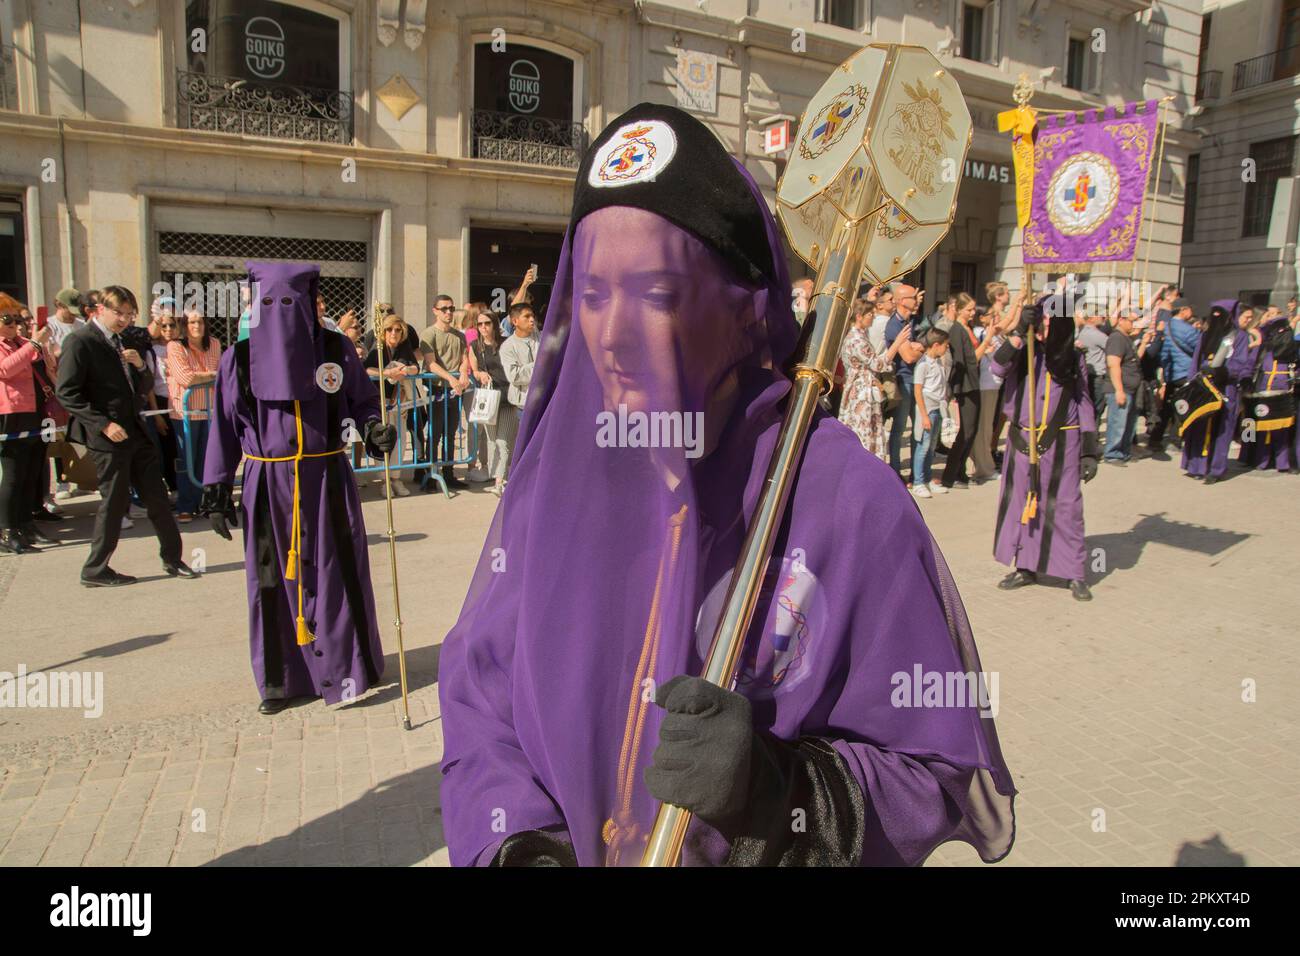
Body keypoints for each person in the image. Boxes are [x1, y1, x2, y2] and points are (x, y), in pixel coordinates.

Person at [438, 103, 1015, 868]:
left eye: (656, 295)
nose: (610, 335)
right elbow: (480, 700)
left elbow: (931, 771)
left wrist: (778, 794)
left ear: (743, 310)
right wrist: (518, 843)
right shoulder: (555, 495)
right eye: (594, 293)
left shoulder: (845, 501)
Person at [201, 261, 395, 715]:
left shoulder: (336, 349)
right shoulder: (237, 360)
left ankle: (351, 669)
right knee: (271, 581)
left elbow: (361, 402)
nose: (280, 311)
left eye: (290, 301)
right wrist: (215, 486)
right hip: (268, 486)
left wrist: (372, 429)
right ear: (254, 305)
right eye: (269, 302)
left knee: (338, 573)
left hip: (326, 478)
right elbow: (224, 428)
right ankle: (280, 681)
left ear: (308, 303)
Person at [54, 285, 194, 586]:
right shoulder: (80, 341)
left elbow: (142, 388)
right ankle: (95, 569)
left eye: (130, 314)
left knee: (157, 498)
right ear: (99, 309)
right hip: (107, 436)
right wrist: (103, 424)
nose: (125, 320)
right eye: (119, 313)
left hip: (135, 430)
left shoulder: (123, 340)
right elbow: (67, 393)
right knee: (114, 503)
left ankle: (173, 558)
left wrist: (141, 366)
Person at [990, 298, 1098, 602]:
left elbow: (1084, 402)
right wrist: (1019, 328)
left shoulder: (1073, 358)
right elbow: (997, 365)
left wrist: (1089, 450)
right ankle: (1026, 567)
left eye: (1054, 320)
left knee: (1066, 508)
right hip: (1022, 443)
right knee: (1022, 507)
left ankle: (1075, 573)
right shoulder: (1021, 352)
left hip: (1062, 443)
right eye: (1043, 320)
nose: (1047, 325)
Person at [0, 293, 62, 553]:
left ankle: (25, 523)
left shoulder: (21, 341)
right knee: (13, 475)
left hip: (34, 411)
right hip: (9, 414)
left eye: (17, 318)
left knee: (31, 472)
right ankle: (7, 530)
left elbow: (45, 365)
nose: (15, 323)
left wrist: (40, 344)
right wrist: (33, 345)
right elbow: (5, 369)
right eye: (8, 318)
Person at [1180, 301, 1255, 484]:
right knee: (1198, 426)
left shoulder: (1240, 336)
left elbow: (1239, 362)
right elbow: (1196, 360)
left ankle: (1215, 469)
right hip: (1203, 385)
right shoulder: (1206, 335)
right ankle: (1196, 465)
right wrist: (1192, 381)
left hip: (1226, 387)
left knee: (1222, 430)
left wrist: (1222, 372)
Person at [837, 297, 908, 462]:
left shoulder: (857, 336)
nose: (873, 317)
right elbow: (878, 364)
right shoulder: (857, 339)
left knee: (863, 429)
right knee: (864, 431)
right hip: (862, 392)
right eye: (870, 313)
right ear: (859, 316)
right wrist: (897, 343)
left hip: (859, 388)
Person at [167, 310, 222, 521]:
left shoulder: (214, 344)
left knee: (207, 460)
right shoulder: (175, 346)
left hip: (209, 411)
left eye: (200, 321)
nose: (196, 326)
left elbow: (221, 373)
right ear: (184, 325)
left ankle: (205, 502)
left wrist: (206, 377)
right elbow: (185, 379)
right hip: (185, 412)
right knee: (187, 460)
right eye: (191, 322)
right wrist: (211, 376)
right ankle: (186, 506)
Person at [365, 313, 426, 495]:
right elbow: (367, 368)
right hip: (380, 399)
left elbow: (415, 367)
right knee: (383, 439)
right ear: (383, 332)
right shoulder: (377, 349)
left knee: (399, 439)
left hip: (399, 400)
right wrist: (386, 373)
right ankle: (384, 480)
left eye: (398, 330)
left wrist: (405, 370)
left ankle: (396, 478)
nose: (394, 333)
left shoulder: (404, 348)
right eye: (390, 329)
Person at [420, 294, 471, 490]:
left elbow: (464, 357)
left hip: (455, 390)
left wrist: (464, 373)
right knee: (435, 433)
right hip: (437, 389)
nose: (448, 312)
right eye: (444, 309)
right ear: (435, 311)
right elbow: (431, 363)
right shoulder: (429, 334)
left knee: (451, 433)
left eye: (451, 308)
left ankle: (449, 473)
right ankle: (431, 474)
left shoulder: (459, 335)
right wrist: (451, 378)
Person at [1237, 308, 1298, 472]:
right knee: (1251, 426)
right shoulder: (1258, 340)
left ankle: (1277, 461)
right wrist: (1245, 379)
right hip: (1257, 388)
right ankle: (1249, 456)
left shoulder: (1287, 345)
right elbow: (1249, 362)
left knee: (1278, 429)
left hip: (1278, 389)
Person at [940, 293, 988, 489]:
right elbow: (968, 360)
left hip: (973, 383)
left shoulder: (966, 329)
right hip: (966, 386)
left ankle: (959, 472)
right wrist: (989, 338)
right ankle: (951, 474)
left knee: (971, 430)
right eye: (968, 309)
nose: (972, 313)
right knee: (966, 432)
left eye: (973, 309)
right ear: (958, 310)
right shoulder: (957, 330)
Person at [468, 309, 516, 495]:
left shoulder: (506, 343)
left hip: (508, 398)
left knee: (503, 442)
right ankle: (498, 477)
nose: (483, 328)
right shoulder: (475, 346)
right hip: (489, 399)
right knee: (493, 441)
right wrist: (480, 374)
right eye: (480, 324)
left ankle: (500, 481)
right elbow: (474, 370)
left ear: (494, 324)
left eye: (487, 323)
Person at [884, 284, 926, 484]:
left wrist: (919, 346)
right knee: (899, 429)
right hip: (904, 381)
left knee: (919, 426)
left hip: (914, 380)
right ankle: (895, 471)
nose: (916, 299)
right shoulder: (894, 325)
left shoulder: (911, 321)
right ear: (901, 301)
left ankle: (917, 474)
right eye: (912, 296)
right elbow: (909, 356)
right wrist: (921, 349)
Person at [1102, 310, 1154, 464]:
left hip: (1131, 389)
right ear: (1121, 320)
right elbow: (1113, 364)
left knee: (1129, 424)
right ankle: (1112, 454)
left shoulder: (1126, 338)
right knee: (1118, 422)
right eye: (1131, 321)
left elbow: (1135, 359)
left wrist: (1144, 343)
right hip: (1121, 388)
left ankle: (1124, 451)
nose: (1134, 324)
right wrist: (1118, 390)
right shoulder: (1117, 338)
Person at [1149, 297, 1200, 453]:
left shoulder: (1166, 327)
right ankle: (1174, 440)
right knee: (1182, 408)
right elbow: (1199, 350)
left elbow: (1164, 354)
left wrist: (1166, 371)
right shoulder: (1188, 330)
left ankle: (1155, 439)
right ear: (1183, 310)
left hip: (1171, 373)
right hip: (1186, 372)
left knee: (1166, 408)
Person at [910, 329, 950, 499]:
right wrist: (924, 415)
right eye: (945, 346)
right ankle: (918, 482)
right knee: (923, 446)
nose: (946, 349)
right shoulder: (923, 364)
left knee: (931, 446)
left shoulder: (938, 362)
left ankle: (926, 478)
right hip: (927, 409)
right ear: (936, 345)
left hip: (937, 408)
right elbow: (918, 390)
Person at [499, 302, 539, 419]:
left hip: (546, 401)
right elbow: (515, 376)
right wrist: (541, 365)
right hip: (524, 405)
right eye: (526, 316)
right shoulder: (508, 346)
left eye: (532, 316)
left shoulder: (541, 338)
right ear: (515, 321)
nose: (532, 319)